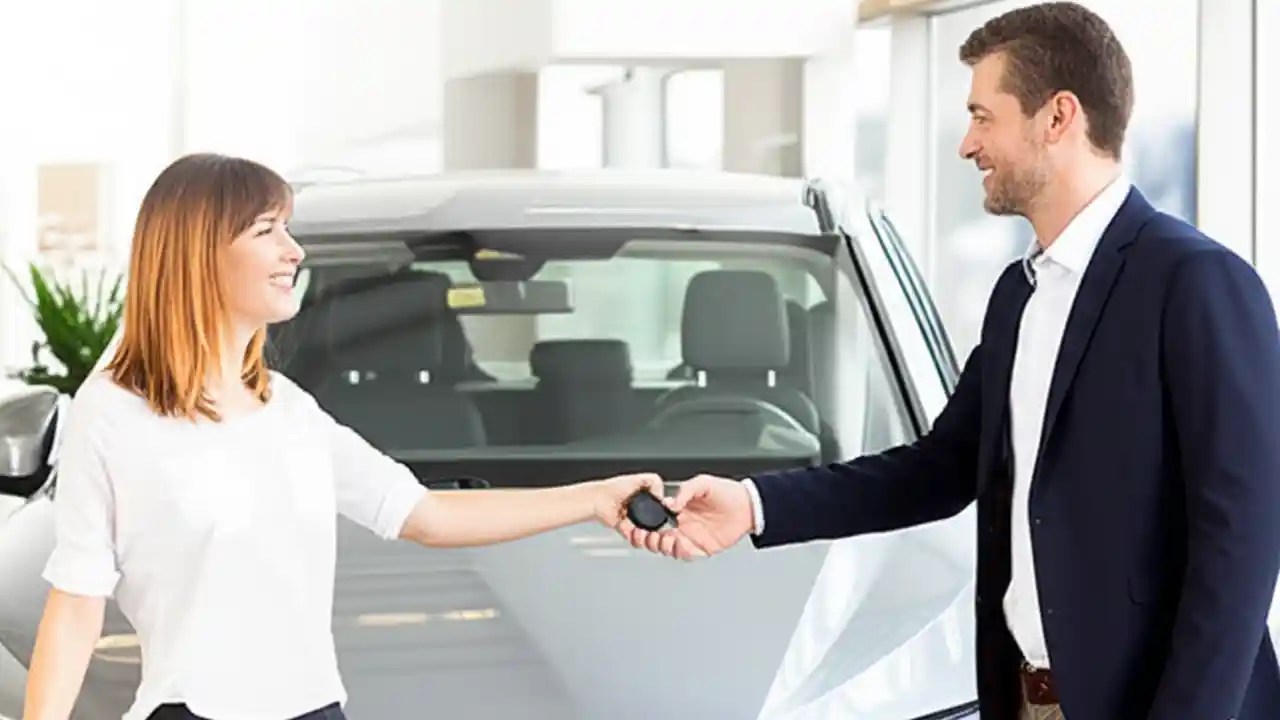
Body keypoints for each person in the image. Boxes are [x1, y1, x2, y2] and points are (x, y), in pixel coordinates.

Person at [619, 3, 1280, 719]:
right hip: (1029, 701)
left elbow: (1243, 540)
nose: (967, 144)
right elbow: (939, 469)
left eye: (983, 115)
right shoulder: (1019, 295)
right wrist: (753, 506)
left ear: (1057, 117)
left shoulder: (1195, 282)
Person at [23, 153, 662, 720]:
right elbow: (77, 602)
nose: (294, 251)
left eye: (289, 229)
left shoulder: (286, 409)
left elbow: (426, 513)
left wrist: (592, 498)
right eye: (266, 230)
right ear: (198, 253)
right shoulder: (113, 413)